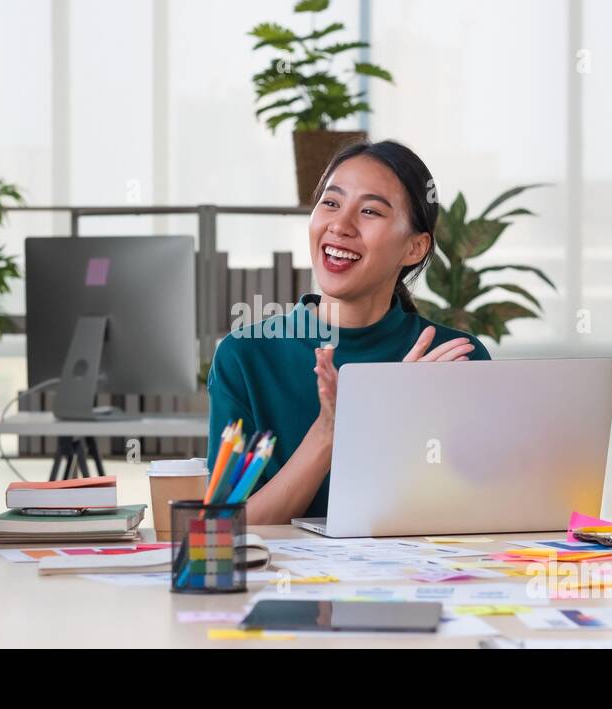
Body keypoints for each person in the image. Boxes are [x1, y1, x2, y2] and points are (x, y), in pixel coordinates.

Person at [206, 140, 489, 525]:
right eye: (331, 203)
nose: (340, 225)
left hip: (407, 581)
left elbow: (480, 518)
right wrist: (330, 432)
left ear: (415, 247)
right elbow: (226, 529)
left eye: (370, 211)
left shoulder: (454, 357)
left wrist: (410, 424)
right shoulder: (246, 356)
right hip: (283, 584)